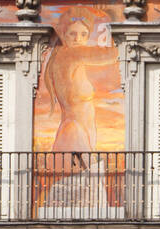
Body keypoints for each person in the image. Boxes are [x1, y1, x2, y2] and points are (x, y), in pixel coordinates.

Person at [43, 13, 119, 153]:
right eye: (73, 34)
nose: (78, 39)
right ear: (64, 35)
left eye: (84, 34)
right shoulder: (72, 54)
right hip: (75, 134)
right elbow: (112, 55)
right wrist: (114, 22)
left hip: (74, 131)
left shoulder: (61, 57)